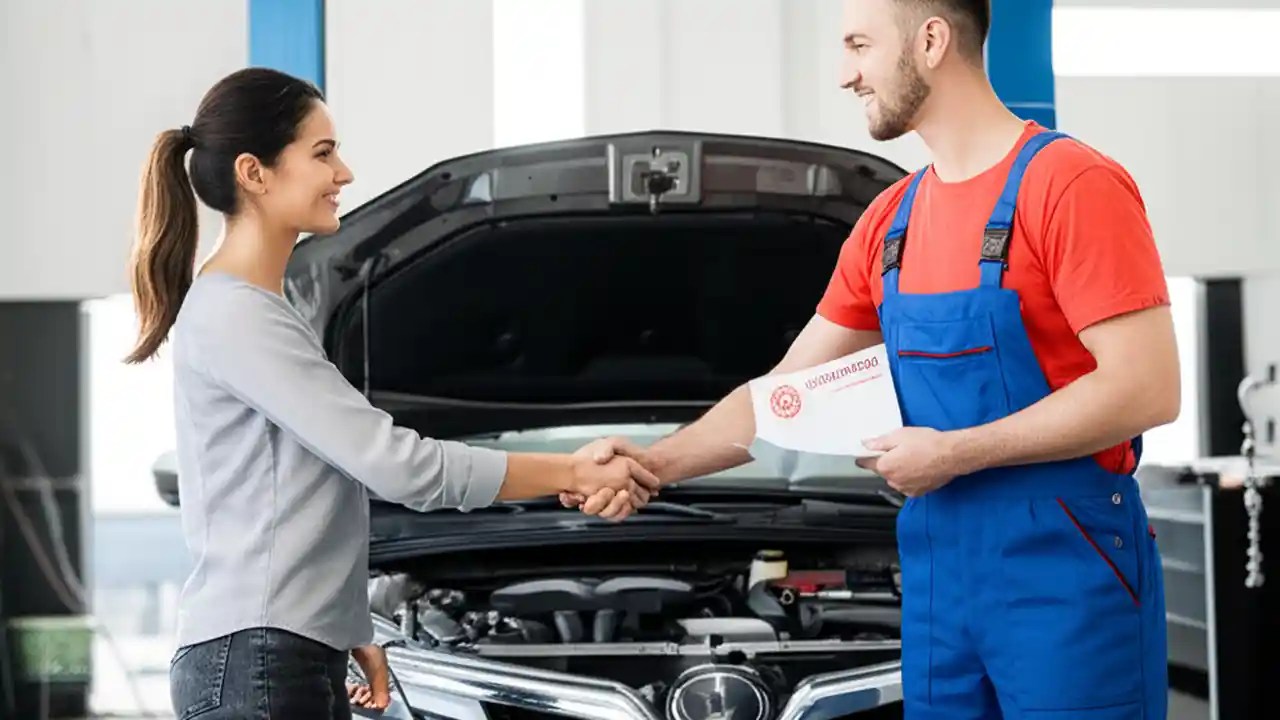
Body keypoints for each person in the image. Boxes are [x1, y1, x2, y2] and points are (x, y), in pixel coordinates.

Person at [567, 0, 1179, 717]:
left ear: (930, 40)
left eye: (859, 46)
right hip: (935, 572)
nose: (844, 74)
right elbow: (780, 395)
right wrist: (651, 465)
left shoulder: (1070, 185)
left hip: (1066, 567)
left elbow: (1147, 389)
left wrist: (955, 452)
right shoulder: (892, 220)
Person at [126, 67, 654, 719]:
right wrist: (570, 468)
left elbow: (303, 493)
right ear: (254, 173)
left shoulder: (257, 309)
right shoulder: (238, 315)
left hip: (275, 653)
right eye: (322, 153)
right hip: (257, 662)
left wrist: (350, 626)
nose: (343, 173)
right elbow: (397, 466)